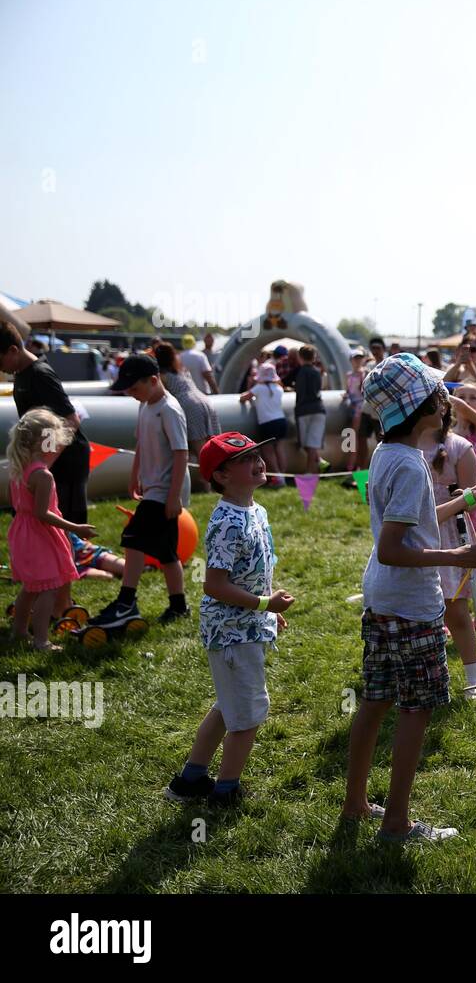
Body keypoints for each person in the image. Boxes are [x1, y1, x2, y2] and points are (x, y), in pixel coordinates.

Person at [341, 354, 476, 843]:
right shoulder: (409, 464)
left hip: (383, 601)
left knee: (375, 700)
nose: (447, 398)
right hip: (410, 605)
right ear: (423, 407)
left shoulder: (389, 454)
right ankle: (397, 823)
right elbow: (392, 549)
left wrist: (471, 498)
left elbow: (420, 518)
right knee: (416, 708)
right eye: (439, 393)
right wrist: (458, 557)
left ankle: (356, 804)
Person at [163, 432, 295, 808]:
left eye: (257, 453)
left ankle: (190, 781)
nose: (258, 461)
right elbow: (215, 585)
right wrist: (264, 603)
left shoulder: (257, 511)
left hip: (248, 625)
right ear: (220, 476)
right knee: (248, 713)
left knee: (228, 705)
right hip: (231, 631)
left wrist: (267, 608)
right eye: (245, 459)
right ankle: (225, 792)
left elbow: (254, 571)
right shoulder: (226, 522)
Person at [85, 354, 191, 631]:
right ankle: (179, 606)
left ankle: (126, 601)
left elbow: (181, 454)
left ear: (154, 380)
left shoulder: (169, 410)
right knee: (166, 553)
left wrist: (174, 496)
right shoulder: (145, 405)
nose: (130, 394)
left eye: (134, 388)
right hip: (153, 487)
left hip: (166, 490)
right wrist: (135, 475)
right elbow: (142, 444)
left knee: (133, 539)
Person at [5, 408, 91, 651]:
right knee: (49, 588)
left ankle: (19, 632)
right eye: (53, 437)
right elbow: (42, 514)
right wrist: (75, 527)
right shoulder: (43, 476)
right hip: (39, 535)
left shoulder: (19, 469)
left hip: (22, 532)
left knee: (31, 587)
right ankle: (41, 640)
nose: (57, 443)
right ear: (44, 440)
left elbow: (22, 506)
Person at [425, 424, 476, 699]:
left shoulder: (459, 447)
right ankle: (421, 674)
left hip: (449, 533)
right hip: (412, 533)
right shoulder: (400, 448)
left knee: (456, 607)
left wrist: (462, 496)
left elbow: (471, 497)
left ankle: (475, 678)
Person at [1, 320, 92, 526]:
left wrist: (44, 463)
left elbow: (69, 420)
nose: (1, 369)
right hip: (45, 460)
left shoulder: (40, 375)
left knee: (64, 526)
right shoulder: (21, 376)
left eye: (0, 362)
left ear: (13, 350)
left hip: (66, 459)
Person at [156, 342, 221, 492]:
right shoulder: (181, 370)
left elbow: (162, 396)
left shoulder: (162, 376)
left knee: (200, 451)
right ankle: (216, 482)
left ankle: (208, 486)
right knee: (210, 446)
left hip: (188, 406)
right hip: (204, 401)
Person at [448, 383, 476, 539]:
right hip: (453, 499)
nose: (466, 401)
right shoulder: (448, 435)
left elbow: (464, 408)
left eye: (473, 398)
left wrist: (438, 392)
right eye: (462, 397)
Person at [239, 362, 289, 488]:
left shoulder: (259, 389)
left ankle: (277, 477)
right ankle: (283, 475)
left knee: (268, 451)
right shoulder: (279, 389)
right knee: (280, 449)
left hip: (267, 422)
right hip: (281, 420)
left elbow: (243, 398)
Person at [294, 343, 328, 475]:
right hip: (319, 409)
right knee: (312, 442)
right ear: (313, 357)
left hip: (304, 410)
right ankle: (320, 463)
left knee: (307, 443)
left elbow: (301, 393)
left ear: (300, 357)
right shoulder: (316, 371)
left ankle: (310, 471)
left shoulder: (302, 371)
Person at [343, 349, 368, 472]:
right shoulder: (349, 375)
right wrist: (345, 395)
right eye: (355, 358)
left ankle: (351, 466)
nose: (357, 361)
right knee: (351, 435)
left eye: (360, 358)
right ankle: (351, 464)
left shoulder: (364, 374)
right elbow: (349, 391)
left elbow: (363, 392)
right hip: (351, 407)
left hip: (359, 407)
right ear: (351, 360)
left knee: (354, 436)